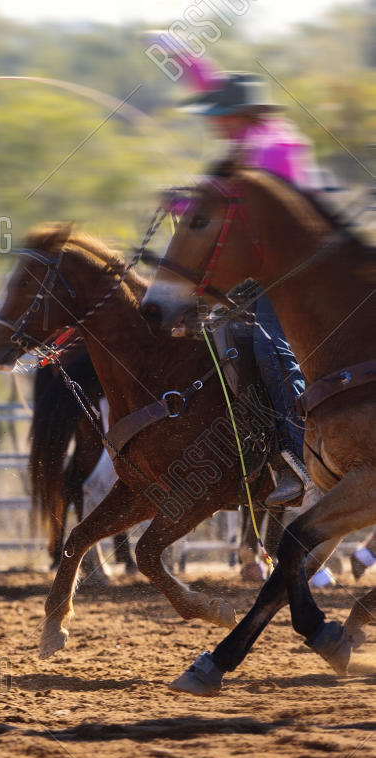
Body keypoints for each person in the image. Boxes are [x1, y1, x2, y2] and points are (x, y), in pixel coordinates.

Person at [151, 33, 314, 508]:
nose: (214, 125)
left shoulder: (272, 146)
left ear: (240, 115)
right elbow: (213, 83)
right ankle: (246, 449)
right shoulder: (248, 139)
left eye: (219, 117)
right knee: (211, 338)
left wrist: (190, 197)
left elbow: (239, 203)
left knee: (267, 348)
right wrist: (181, 54)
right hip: (254, 271)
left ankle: (298, 456)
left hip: (288, 274)